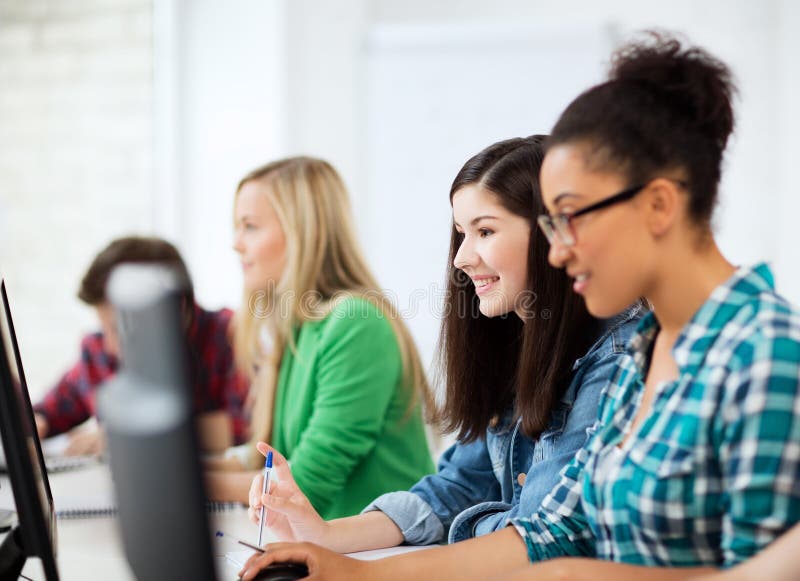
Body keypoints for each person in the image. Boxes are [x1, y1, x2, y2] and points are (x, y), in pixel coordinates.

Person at [238, 32, 800, 581]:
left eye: (568, 216)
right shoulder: (649, 351)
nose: (556, 248)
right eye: (549, 222)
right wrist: (350, 565)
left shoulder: (762, 352)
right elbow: (555, 530)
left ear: (657, 204)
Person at [243, 136, 641, 551]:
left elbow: (537, 536)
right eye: (461, 233)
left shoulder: (615, 354)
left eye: (485, 230)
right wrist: (325, 536)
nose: (461, 258)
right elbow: (458, 485)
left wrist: (470, 527)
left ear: (552, 234)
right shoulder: (509, 342)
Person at [204, 156, 435, 520]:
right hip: (333, 549)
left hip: (384, 554)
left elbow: (301, 486)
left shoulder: (356, 322)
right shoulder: (295, 328)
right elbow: (264, 456)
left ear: (302, 232)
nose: (236, 243)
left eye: (249, 226)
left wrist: (187, 482)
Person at [33, 236, 249, 456]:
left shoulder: (230, 336)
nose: (111, 347)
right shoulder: (98, 351)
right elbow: (48, 413)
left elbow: (248, 426)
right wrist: (35, 425)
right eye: (104, 327)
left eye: (119, 329)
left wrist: (129, 437)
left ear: (176, 308)